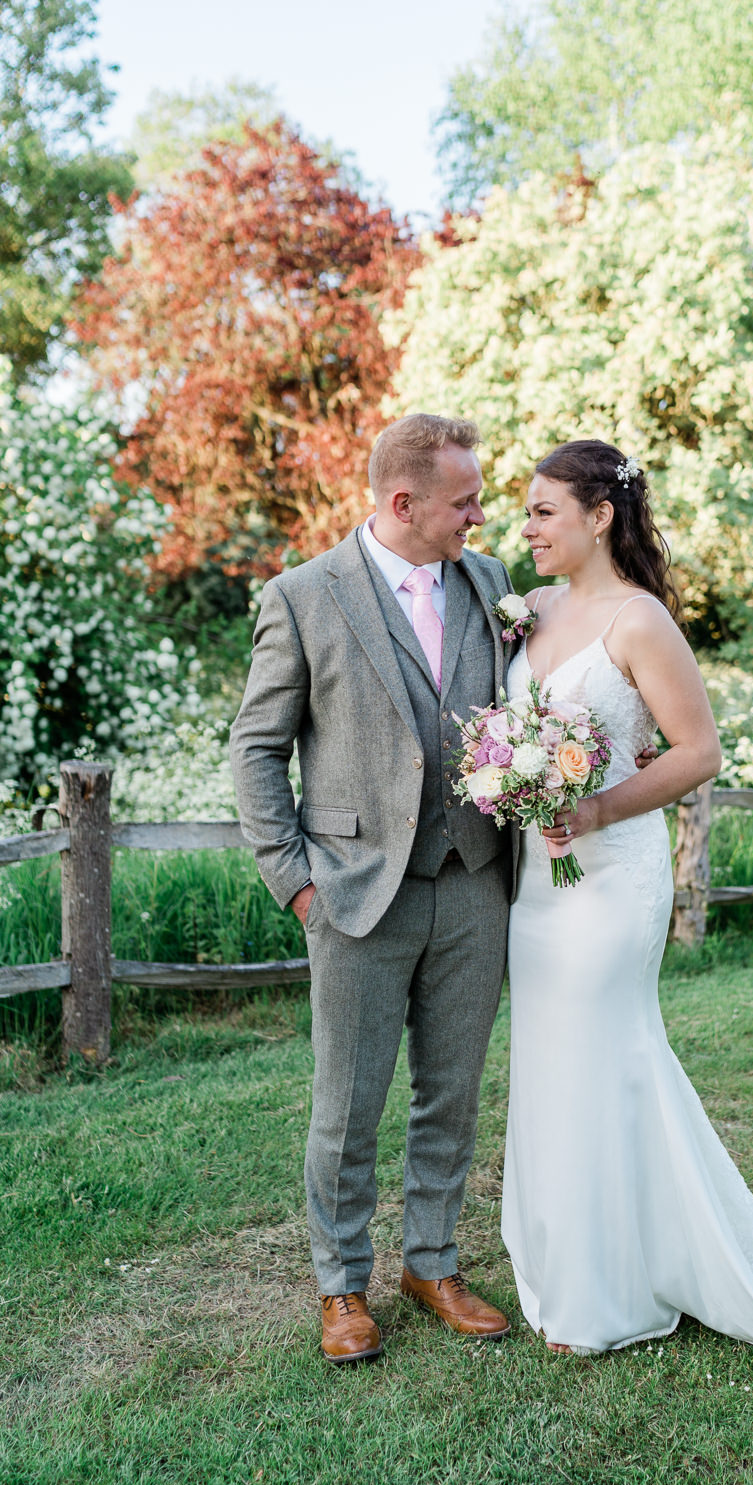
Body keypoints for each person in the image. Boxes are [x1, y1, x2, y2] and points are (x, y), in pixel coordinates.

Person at [500, 439, 753, 1376]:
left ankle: (609, 1289)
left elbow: (697, 753)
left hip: (615, 877)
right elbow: (518, 733)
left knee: (609, 1053)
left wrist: (596, 804)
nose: (525, 530)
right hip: (541, 879)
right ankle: (561, 1257)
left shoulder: (640, 622)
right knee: (551, 1059)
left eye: (542, 513)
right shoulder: (530, 613)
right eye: (523, 513)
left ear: (600, 517)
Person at [229, 414, 516, 1364]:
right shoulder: (304, 597)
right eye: (464, 499)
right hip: (352, 892)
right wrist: (295, 883)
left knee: (454, 1093)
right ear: (404, 504)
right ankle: (340, 1285)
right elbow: (257, 747)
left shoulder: (489, 582)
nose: (481, 512)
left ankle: (431, 1262)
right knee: (347, 1106)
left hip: (474, 882)